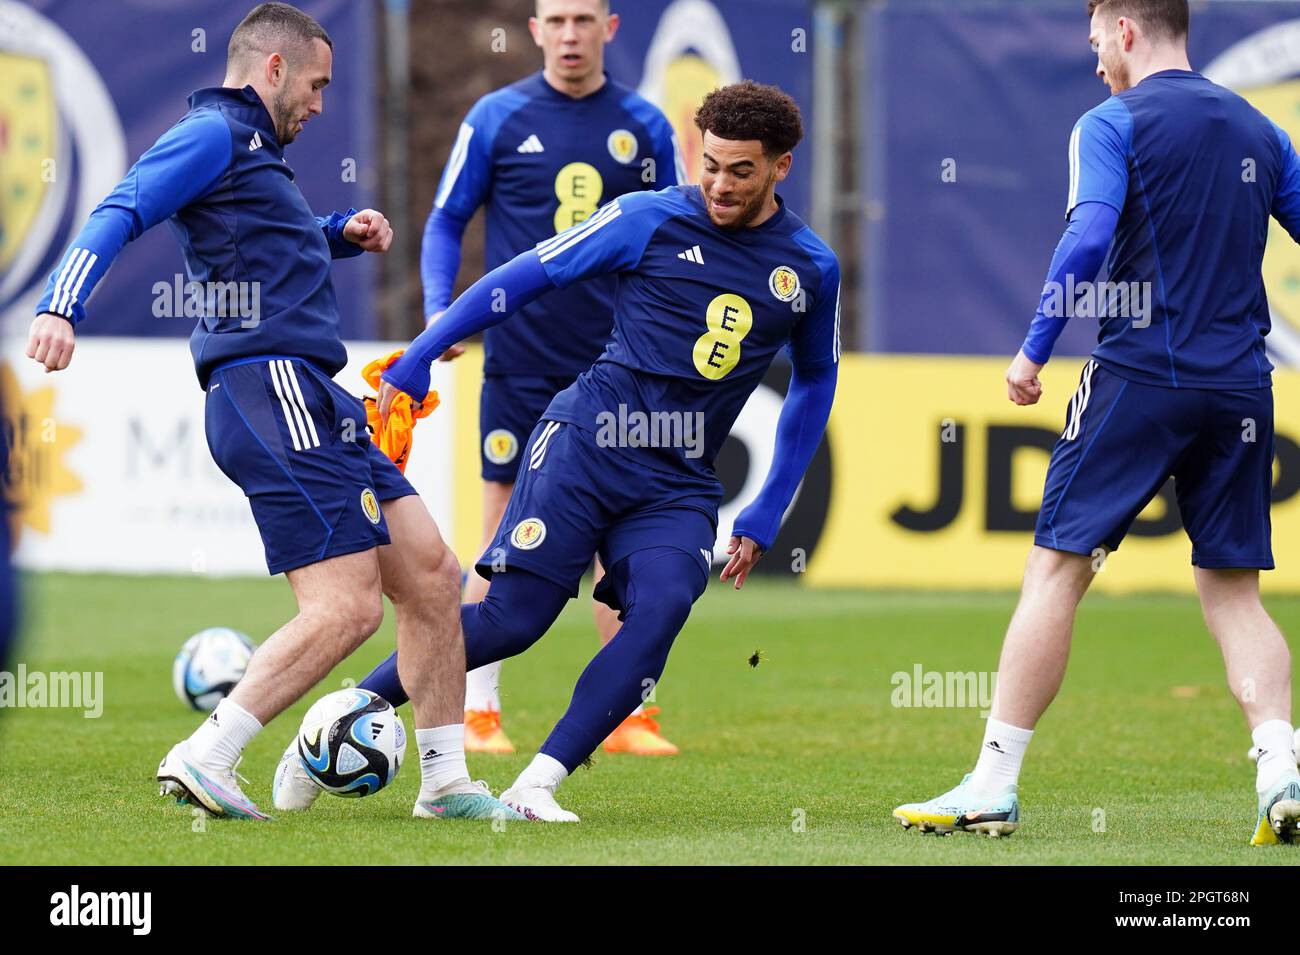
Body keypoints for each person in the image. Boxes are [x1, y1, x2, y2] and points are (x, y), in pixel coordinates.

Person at [277, 80, 839, 822]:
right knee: (514, 619)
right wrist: (424, 349)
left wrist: (767, 507)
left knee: (665, 604)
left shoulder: (809, 266)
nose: (718, 184)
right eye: (709, 164)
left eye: (740, 170)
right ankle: (334, 724)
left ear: (781, 167)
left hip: (678, 482)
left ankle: (535, 782)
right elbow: (525, 277)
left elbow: (815, 378)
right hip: (586, 445)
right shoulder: (647, 217)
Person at [26, 2, 518, 822]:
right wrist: (59, 305)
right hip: (269, 382)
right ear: (275, 67)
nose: (321, 105)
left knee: (433, 576)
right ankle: (205, 753)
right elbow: (123, 206)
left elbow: (256, 237)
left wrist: (335, 231)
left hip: (313, 390)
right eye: (317, 84)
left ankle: (445, 784)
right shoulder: (213, 132)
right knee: (349, 606)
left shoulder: (251, 149)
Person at [893, 0, 1300, 845]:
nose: (1094, 64)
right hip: (1243, 388)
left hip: (1141, 376)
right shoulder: (1261, 130)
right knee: (1232, 590)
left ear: (1123, 30)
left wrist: (1034, 348)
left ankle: (993, 783)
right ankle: (1280, 768)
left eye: (1094, 44)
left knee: (1057, 570)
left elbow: (1086, 237)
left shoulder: (1109, 121)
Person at [422, 0, 685, 756]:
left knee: (620, 536)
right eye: (556, 20)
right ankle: (477, 711)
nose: (570, 35)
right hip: (521, 361)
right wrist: (444, 312)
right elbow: (446, 220)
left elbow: (678, 230)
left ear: (611, 27)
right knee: (502, 530)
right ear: (535, 30)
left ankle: (631, 715)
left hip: (621, 365)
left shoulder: (648, 126)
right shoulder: (497, 116)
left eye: (584, 19)